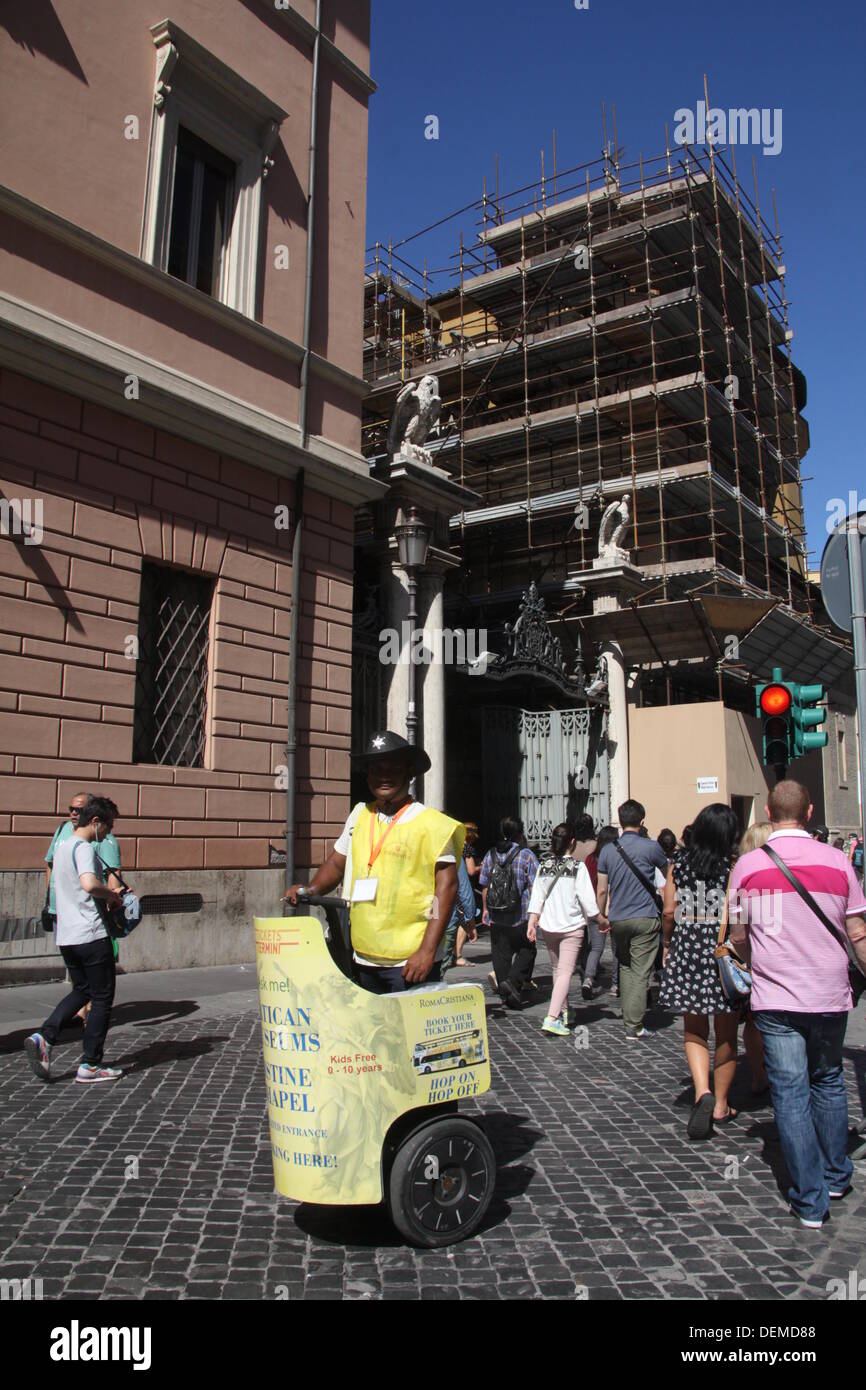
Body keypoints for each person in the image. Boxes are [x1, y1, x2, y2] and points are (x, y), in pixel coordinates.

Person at [728, 780, 866, 1228]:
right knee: (827, 1080)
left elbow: (738, 936)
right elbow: (857, 933)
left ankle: (809, 1199)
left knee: (790, 1092)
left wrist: (756, 961)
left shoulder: (747, 866)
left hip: (776, 996)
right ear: (809, 814)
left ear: (768, 811)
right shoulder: (838, 862)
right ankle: (835, 1176)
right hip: (829, 994)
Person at [285, 731, 462, 994]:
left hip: (410, 961)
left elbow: (446, 888)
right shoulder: (359, 815)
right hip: (363, 956)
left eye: (394, 768)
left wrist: (427, 951)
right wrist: (311, 889)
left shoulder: (433, 825)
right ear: (367, 775)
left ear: (409, 773)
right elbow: (336, 864)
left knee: (407, 1033)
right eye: (376, 769)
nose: (384, 775)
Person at [24, 795, 125, 1084]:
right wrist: (112, 895)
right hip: (90, 933)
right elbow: (90, 884)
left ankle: (45, 1036)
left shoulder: (62, 845)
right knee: (103, 997)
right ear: (95, 822)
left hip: (67, 934)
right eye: (107, 826)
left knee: (81, 990)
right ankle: (91, 1064)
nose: (108, 832)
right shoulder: (83, 848)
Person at [660, 803, 741, 1139]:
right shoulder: (735, 866)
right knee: (726, 1033)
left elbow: (668, 910)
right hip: (723, 950)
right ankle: (721, 1104)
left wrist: (667, 943)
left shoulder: (679, 864)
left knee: (694, 1029)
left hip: (688, 945)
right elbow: (743, 912)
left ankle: (701, 1092)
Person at [596, 799, 668, 1039]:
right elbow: (668, 877)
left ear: (621, 820)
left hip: (618, 918)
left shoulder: (607, 850)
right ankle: (635, 1025)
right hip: (645, 916)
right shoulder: (651, 847)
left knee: (625, 967)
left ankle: (629, 1016)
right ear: (642, 821)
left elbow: (602, 889)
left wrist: (601, 916)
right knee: (639, 972)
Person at [527, 822, 606, 1036]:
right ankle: (552, 1018)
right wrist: (601, 919)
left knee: (557, 970)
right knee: (564, 973)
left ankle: (566, 1011)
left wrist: (532, 921)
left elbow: (537, 896)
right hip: (571, 926)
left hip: (549, 926)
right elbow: (588, 901)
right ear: (572, 842)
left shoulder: (544, 865)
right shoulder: (577, 868)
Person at [480, 816, 539, 1010]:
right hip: (520, 914)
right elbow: (536, 885)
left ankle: (506, 993)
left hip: (496, 915)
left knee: (500, 953)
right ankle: (513, 983)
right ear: (520, 834)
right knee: (528, 949)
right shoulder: (527, 855)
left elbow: (485, 885)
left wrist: (486, 910)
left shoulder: (490, 855)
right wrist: (536, 913)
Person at [736, 821, 772, 1096]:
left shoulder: (742, 872)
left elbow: (738, 932)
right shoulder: (778, 874)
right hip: (780, 961)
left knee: (753, 1022)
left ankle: (759, 1075)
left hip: (753, 961)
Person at [582, 823, 620, 997]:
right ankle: (615, 984)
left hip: (593, 908)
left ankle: (588, 979)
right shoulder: (616, 858)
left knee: (595, 948)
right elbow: (605, 888)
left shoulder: (590, 859)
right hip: (613, 907)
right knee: (616, 949)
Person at [442, 856, 479, 972]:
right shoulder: (451, 854)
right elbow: (464, 890)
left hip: (416, 921)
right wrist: (471, 921)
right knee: (434, 975)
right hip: (444, 919)